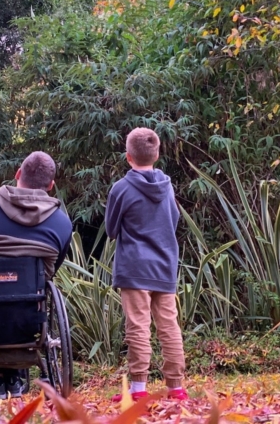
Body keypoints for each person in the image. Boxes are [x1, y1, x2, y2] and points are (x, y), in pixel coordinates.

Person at [0, 151, 73, 400]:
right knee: (30, 292)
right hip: (30, 315)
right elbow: (54, 269)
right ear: (51, 185)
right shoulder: (61, 222)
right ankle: (15, 375)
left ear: (18, 174)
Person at [105, 127, 188, 402]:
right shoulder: (167, 186)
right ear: (158, 154)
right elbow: (174, 219)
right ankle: (176, 387)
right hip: (165, 264)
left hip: (134, 267)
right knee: (169, 326)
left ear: (128, 156)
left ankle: (139, 390)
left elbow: (111, 230)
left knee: (138, 327)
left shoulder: (121, 188)